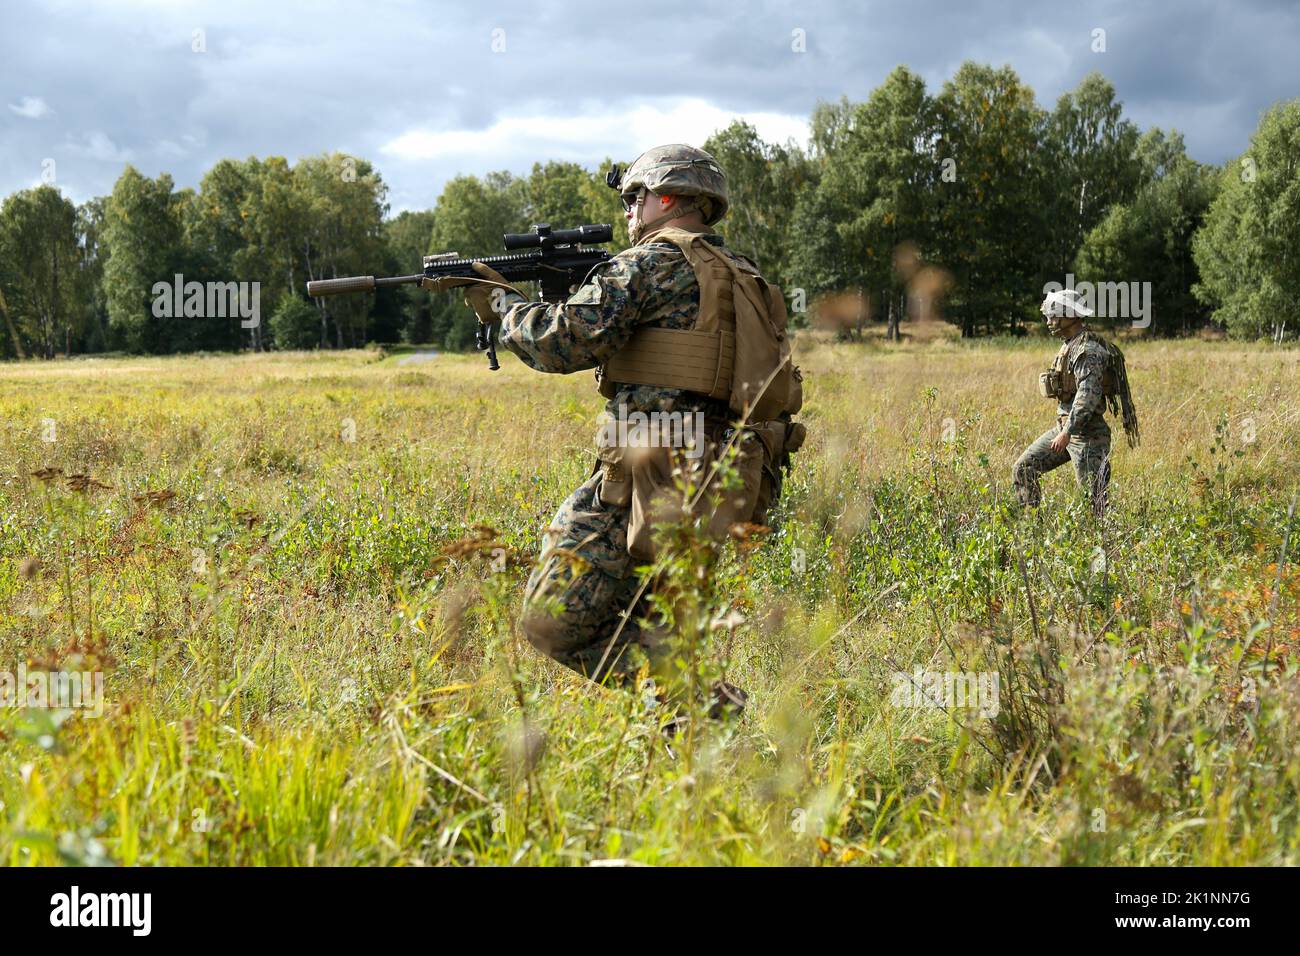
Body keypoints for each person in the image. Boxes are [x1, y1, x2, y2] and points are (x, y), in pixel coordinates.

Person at [427, 144, 805, 718]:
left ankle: (707, 708)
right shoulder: (747, 278)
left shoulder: (649, 263)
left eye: (636, 197)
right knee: (658, 629)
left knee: (549, 620)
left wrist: (501, 304)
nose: (629, 211)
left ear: (670, 197)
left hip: (645, 477)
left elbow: (561, 343)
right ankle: (705, 747)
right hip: (726, 482)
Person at [1012, 288, 1139, 514]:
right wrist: (1065, 430)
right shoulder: (1071, 343)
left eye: (1054, 315)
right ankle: (1030, 528)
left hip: (1087, 436)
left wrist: (1067, 431)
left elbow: (1087, 394)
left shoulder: (1087, 349)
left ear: (1071, 315)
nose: (1049, 321)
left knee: (1093, 502)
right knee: (1024, 468)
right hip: (1066, 430)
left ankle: (1105, 542)